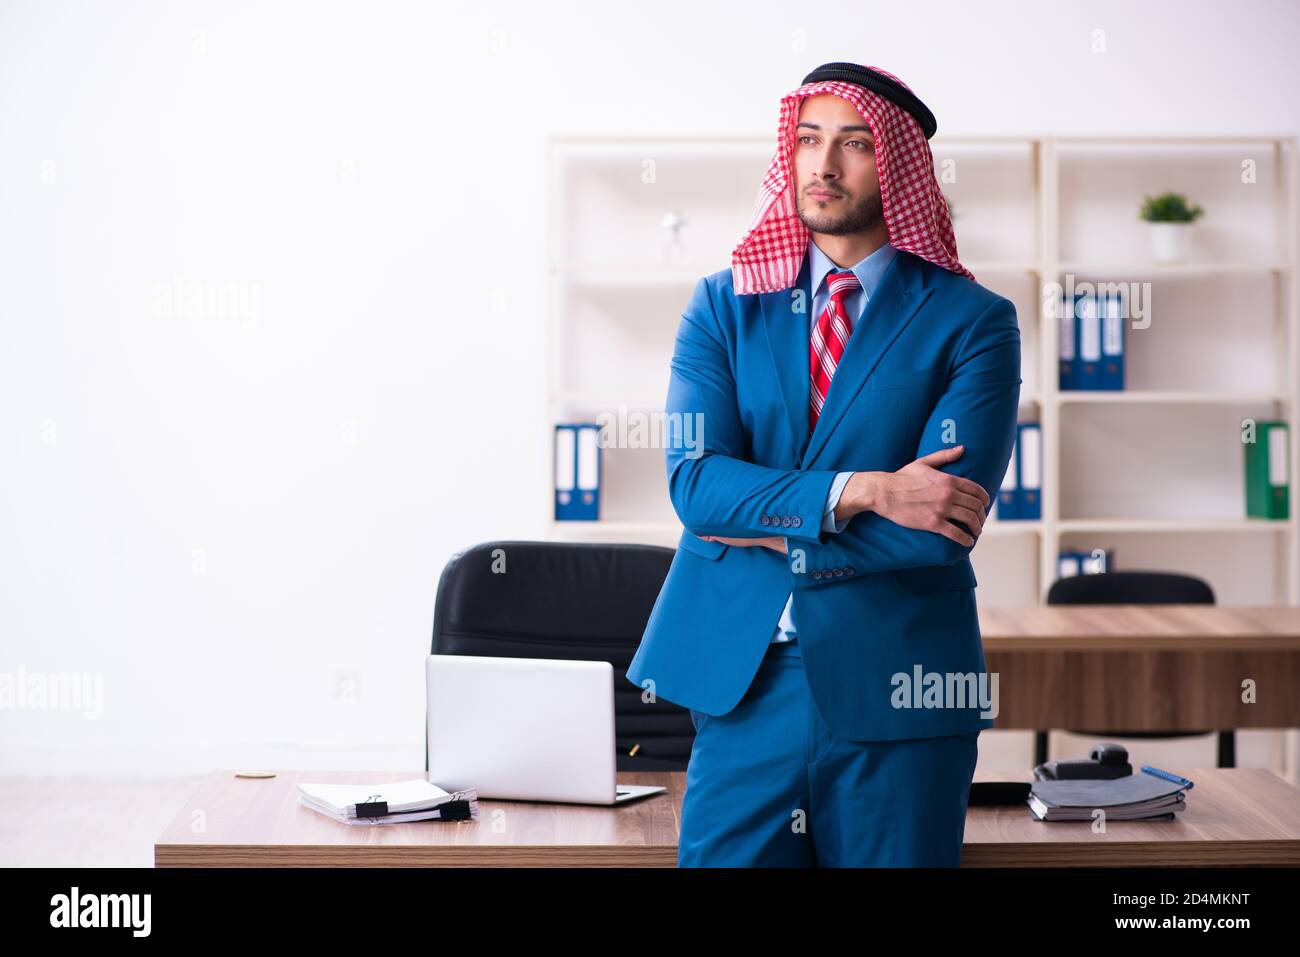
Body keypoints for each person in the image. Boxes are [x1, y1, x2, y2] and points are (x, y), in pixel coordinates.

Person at [625, 62, 1022, 867]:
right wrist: (863, 490)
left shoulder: (974, 322)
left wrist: (760, 526)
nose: (824, 164)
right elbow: (697, 486)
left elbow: (937, 529)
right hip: (744, 685)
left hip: (901, 690)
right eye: (808, 140)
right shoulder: (722, 305)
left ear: (901, 164)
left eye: (854, 143)